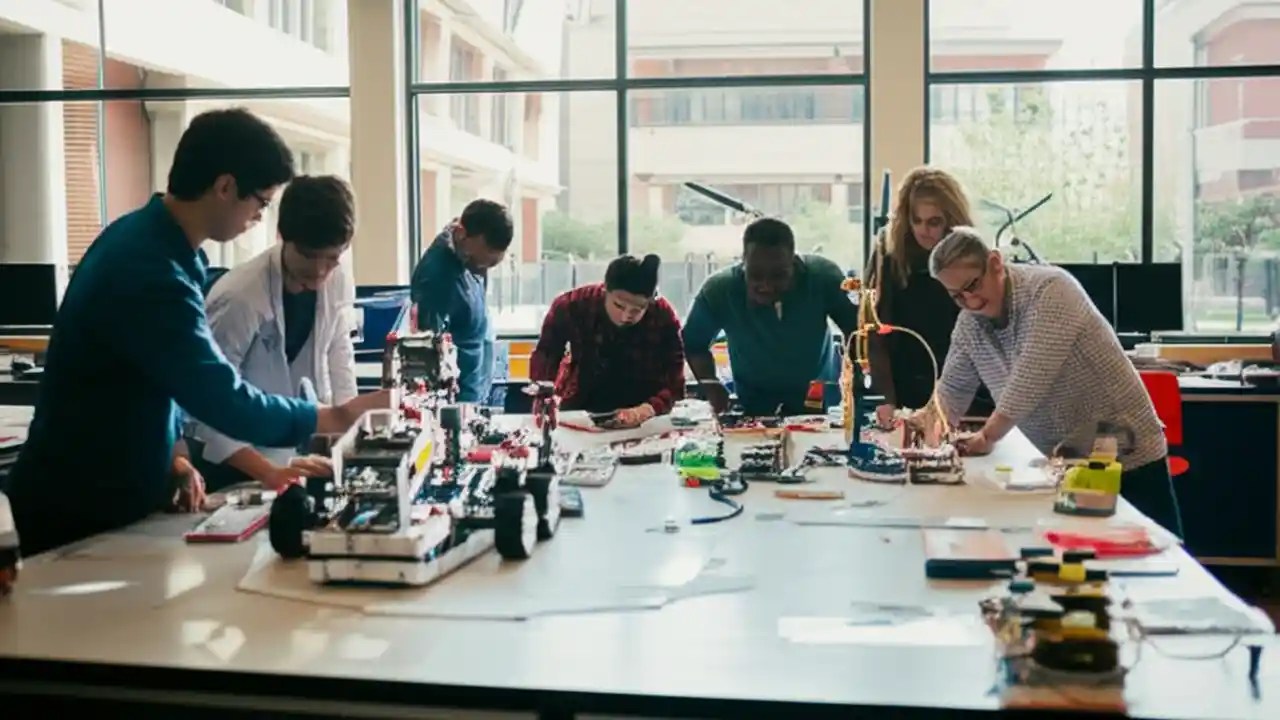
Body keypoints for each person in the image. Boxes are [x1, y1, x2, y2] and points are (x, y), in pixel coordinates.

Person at [0, 108, 388, 558]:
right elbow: (220, 398)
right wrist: (331, 416)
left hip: (113, 495)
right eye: (260, 202)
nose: (259, 217)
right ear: (225, 188)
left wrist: (173, 456)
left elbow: (157, 377)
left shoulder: (151, 244)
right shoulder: (150, 270)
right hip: (78, 508)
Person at [926, 227, 1181, 535]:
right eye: (956, 296)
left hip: (1126, 454)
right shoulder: (970, 324)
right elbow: (952, 390)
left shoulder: (1051, 290)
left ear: (995, 263)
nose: (970, 301)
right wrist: (922, 427)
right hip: (1065, 464)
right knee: (1082, 557)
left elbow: (1030, 379)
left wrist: (986, 437)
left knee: (1156, 555)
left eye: (973, 285)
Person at [191, 175, 364, 492]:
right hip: (235, 465)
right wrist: (268, 470)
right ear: (282, 235)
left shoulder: (337, 279)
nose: (320, 271)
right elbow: (205, 407)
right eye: (309, 255)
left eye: (332, 258)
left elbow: (340, 358)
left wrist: (351, 438)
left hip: (290, 456)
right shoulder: (240, 296)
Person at [682, 217, 859, 416]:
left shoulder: (823, 278)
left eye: (778, 276)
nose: (766, 286)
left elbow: (858, 332)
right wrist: (711, 384)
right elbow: (693, 344)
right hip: (753, 401)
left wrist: (857, 381)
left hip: (817, 397)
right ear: (743, 263)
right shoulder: (720, 291)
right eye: (755, 275)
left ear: (794, 263)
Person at [864, 167, 993, 426]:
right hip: (906, 388)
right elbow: (874, 337)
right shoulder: (890, 258)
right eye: (917, 220)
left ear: (951, 220)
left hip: (967, 393)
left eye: (934, 222)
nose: (924, 230)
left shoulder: (972, 257)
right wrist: (886, 401)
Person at [529, 254, 685, 427]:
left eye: (638, 309)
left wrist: (648, 409)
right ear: (605, 290)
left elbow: (675, 381)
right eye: (619, 305)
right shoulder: (574, 305)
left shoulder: (663, 316)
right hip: (583, 399)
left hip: (643, 408)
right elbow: (546, 352)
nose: (626, 316)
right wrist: (544, 393)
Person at [409, 199, 513, 404]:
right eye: (477, 263)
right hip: (459, 398)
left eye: (489, 265)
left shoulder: (470, 250)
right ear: (460, 234)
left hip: (478, 386)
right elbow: (428, 354)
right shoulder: (436, 277)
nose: (481, 270)